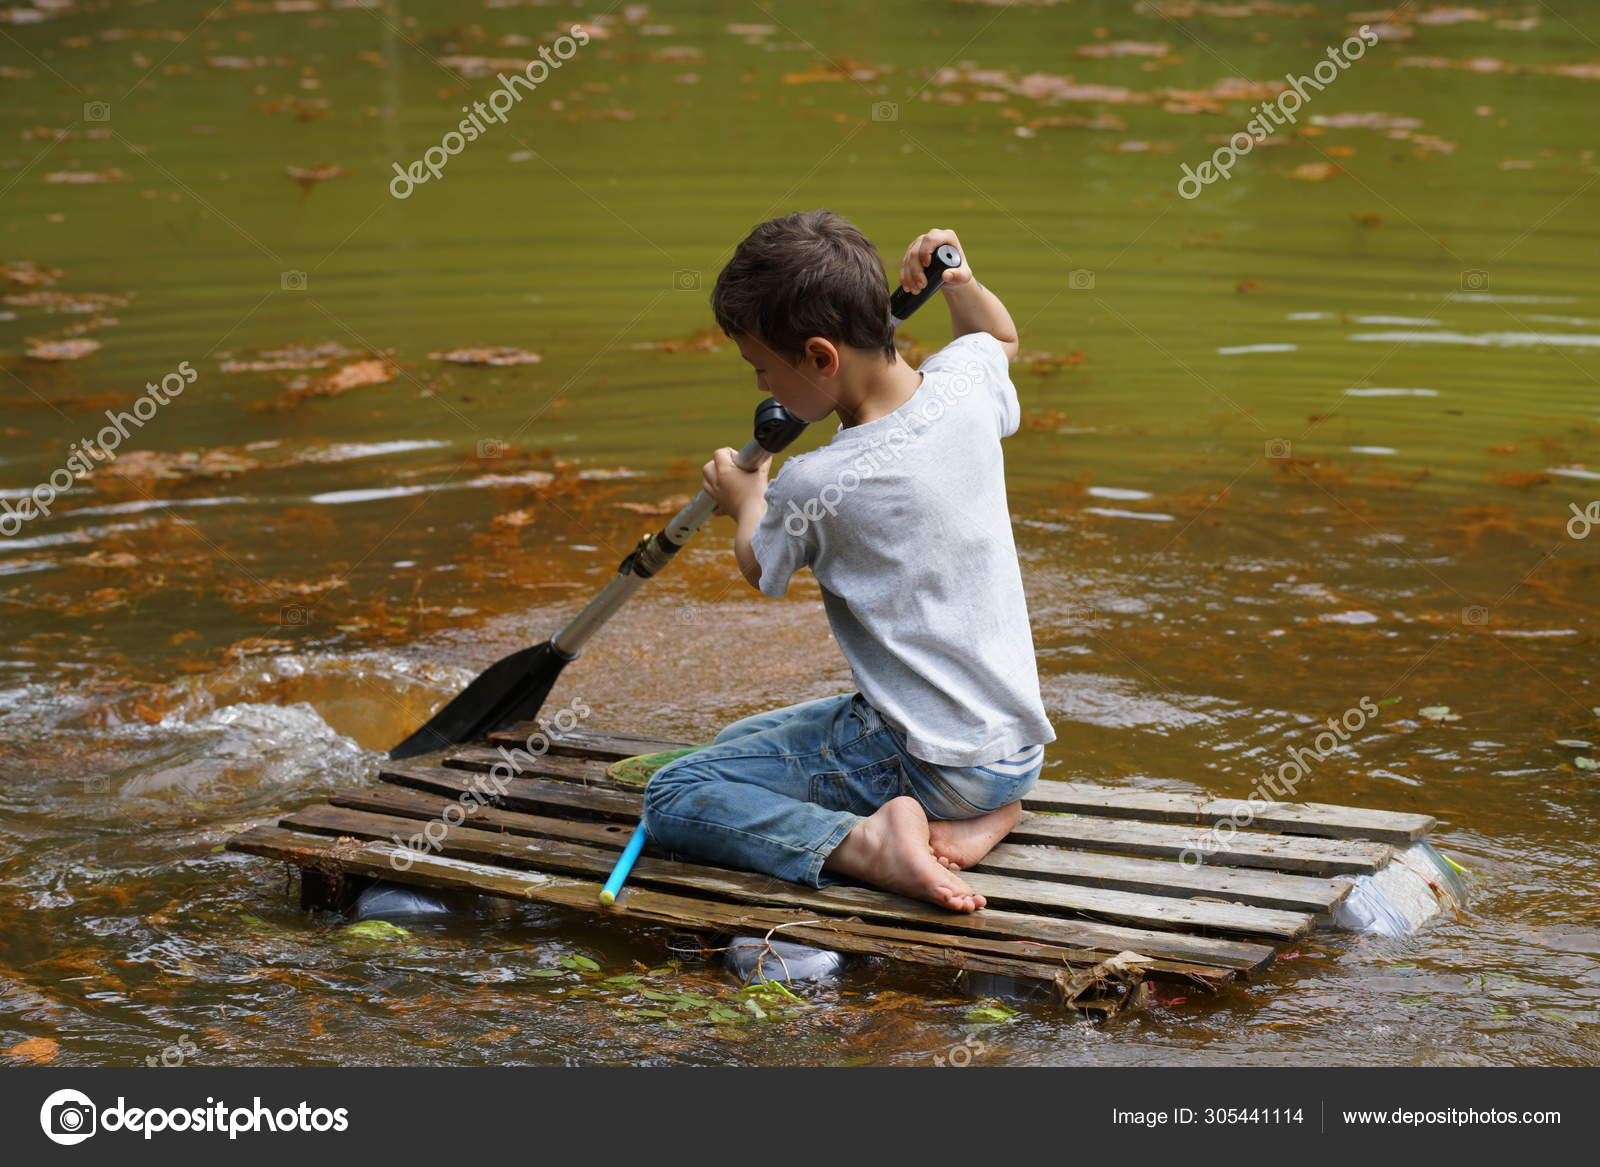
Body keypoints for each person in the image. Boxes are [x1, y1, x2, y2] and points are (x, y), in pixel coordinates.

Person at [641, 210, 1055, 912]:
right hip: (1009, 749)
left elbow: (760, 567)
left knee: (676, 791)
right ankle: (986, 814)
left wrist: (747, 497)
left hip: (928, 760)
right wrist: (958, 279)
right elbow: (997, 337)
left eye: (763, 367)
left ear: (820, 357)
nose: (763, 387)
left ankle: (867, 844)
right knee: (742, 738)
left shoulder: (814, 484)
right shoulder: (963, 384)